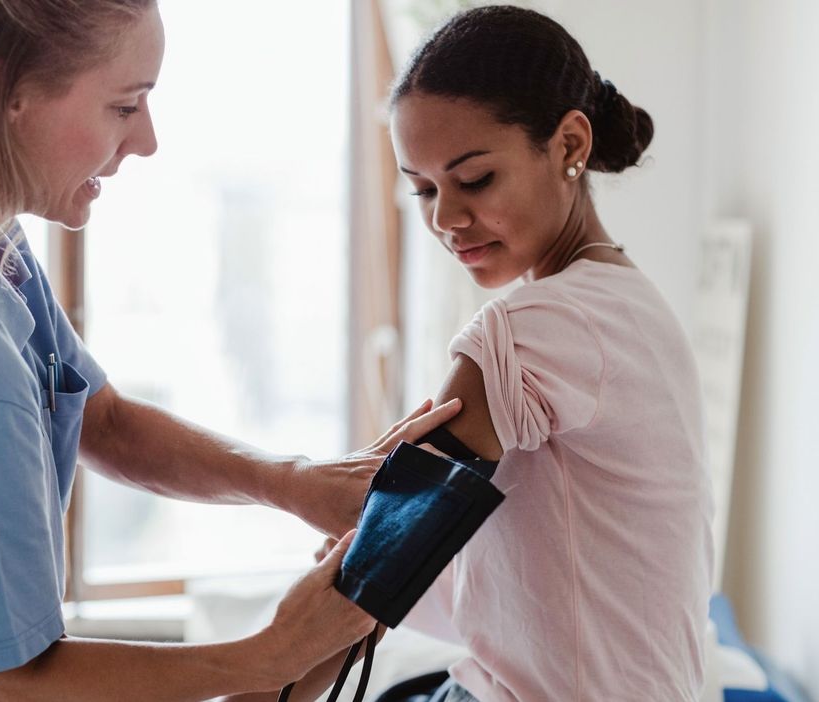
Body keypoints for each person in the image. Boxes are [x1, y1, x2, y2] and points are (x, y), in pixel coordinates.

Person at [0, 1, 463, 700]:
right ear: (3, 91)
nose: (145, 140)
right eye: (123, 105)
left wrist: (292, 483)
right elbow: (20, 681)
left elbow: (102, 420)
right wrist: (270, 651)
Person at [249, 6, 714, 702]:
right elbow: (501, 573)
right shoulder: (624, 307)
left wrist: (252, 690)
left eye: (475, 181)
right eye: (425, 189)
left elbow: (380, 574)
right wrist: (376, 532)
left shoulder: (537, 326)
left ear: (569, 145)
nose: (444, 219)